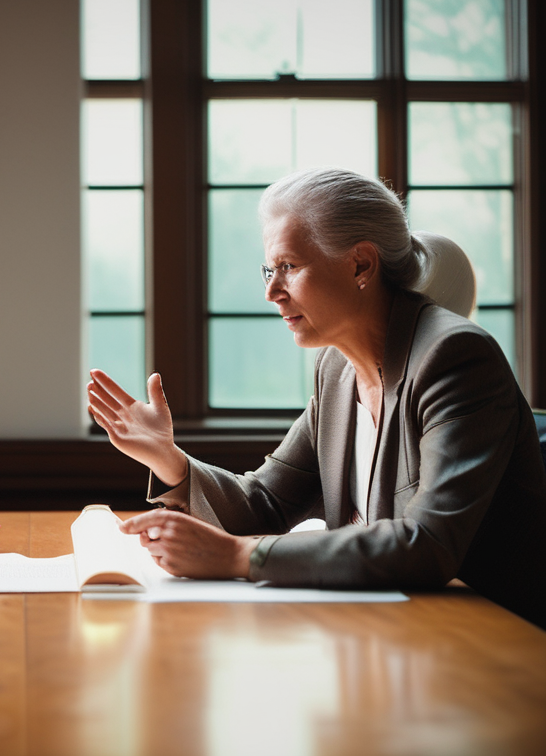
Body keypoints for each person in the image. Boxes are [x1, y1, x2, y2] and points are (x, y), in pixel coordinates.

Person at [87, 166, 546, 629]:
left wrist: (240, 556)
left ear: (361, 265)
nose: (271, 292)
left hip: (491, 638)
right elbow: (266, 502)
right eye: (269, 269)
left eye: (288, 267)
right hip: (389, 628)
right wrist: (169, 460)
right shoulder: (336, 369)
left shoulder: (455, 357)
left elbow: (428, 544)